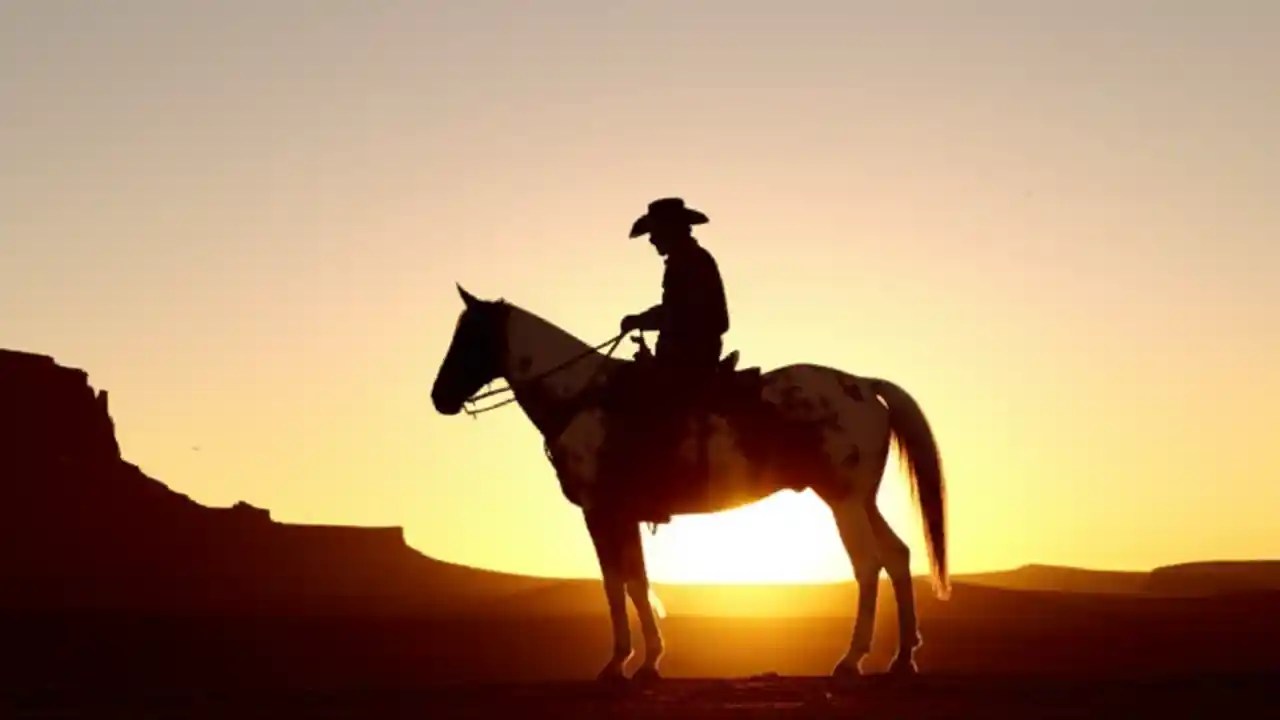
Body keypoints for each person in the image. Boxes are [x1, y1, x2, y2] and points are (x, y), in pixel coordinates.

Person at [605, 197, 730, 516]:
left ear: (671, 230)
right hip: (685, 352)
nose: (652, 240)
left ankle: (661, 488)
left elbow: (687, 313)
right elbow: (676, 311)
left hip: (692, 356)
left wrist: (643, 320)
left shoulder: (690, 262)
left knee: (649, 406)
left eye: (656, 233)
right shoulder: (687, 260)